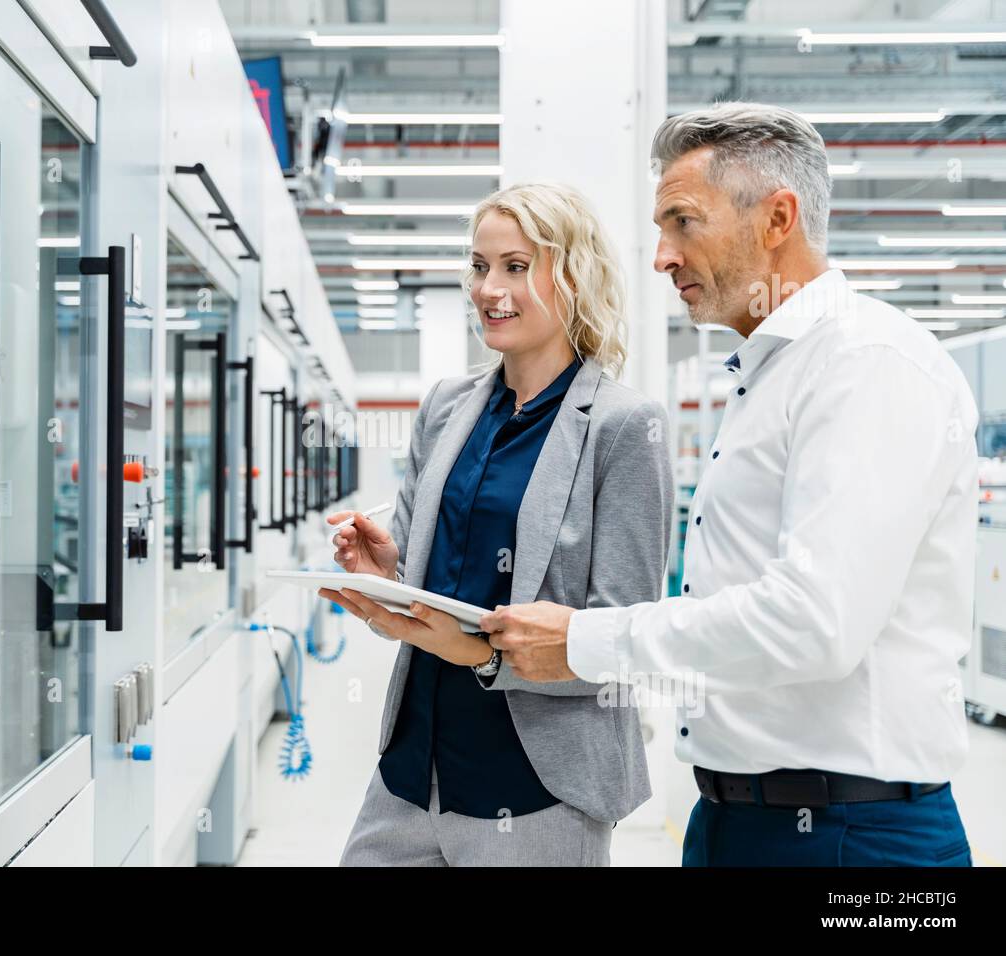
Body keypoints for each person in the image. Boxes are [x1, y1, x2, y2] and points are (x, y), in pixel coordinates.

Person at [482, 102, 978, 867]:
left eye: (683, 222)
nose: (662, 257)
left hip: (851, 837)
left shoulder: (867, 365)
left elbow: (811, 622)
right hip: (734, 819)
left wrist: (588, 641)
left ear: (777, 218)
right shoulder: (769, 375)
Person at [320, 182, 673, 866]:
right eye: (481, 267)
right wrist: (388, 577)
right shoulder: (446, 410)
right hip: (410, 772)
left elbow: (620, 639)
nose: (489, 288)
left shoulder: (624, 427)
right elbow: (429, 589)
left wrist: (481, 655)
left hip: (537, 785)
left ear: (573, 275)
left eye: (516, 266)